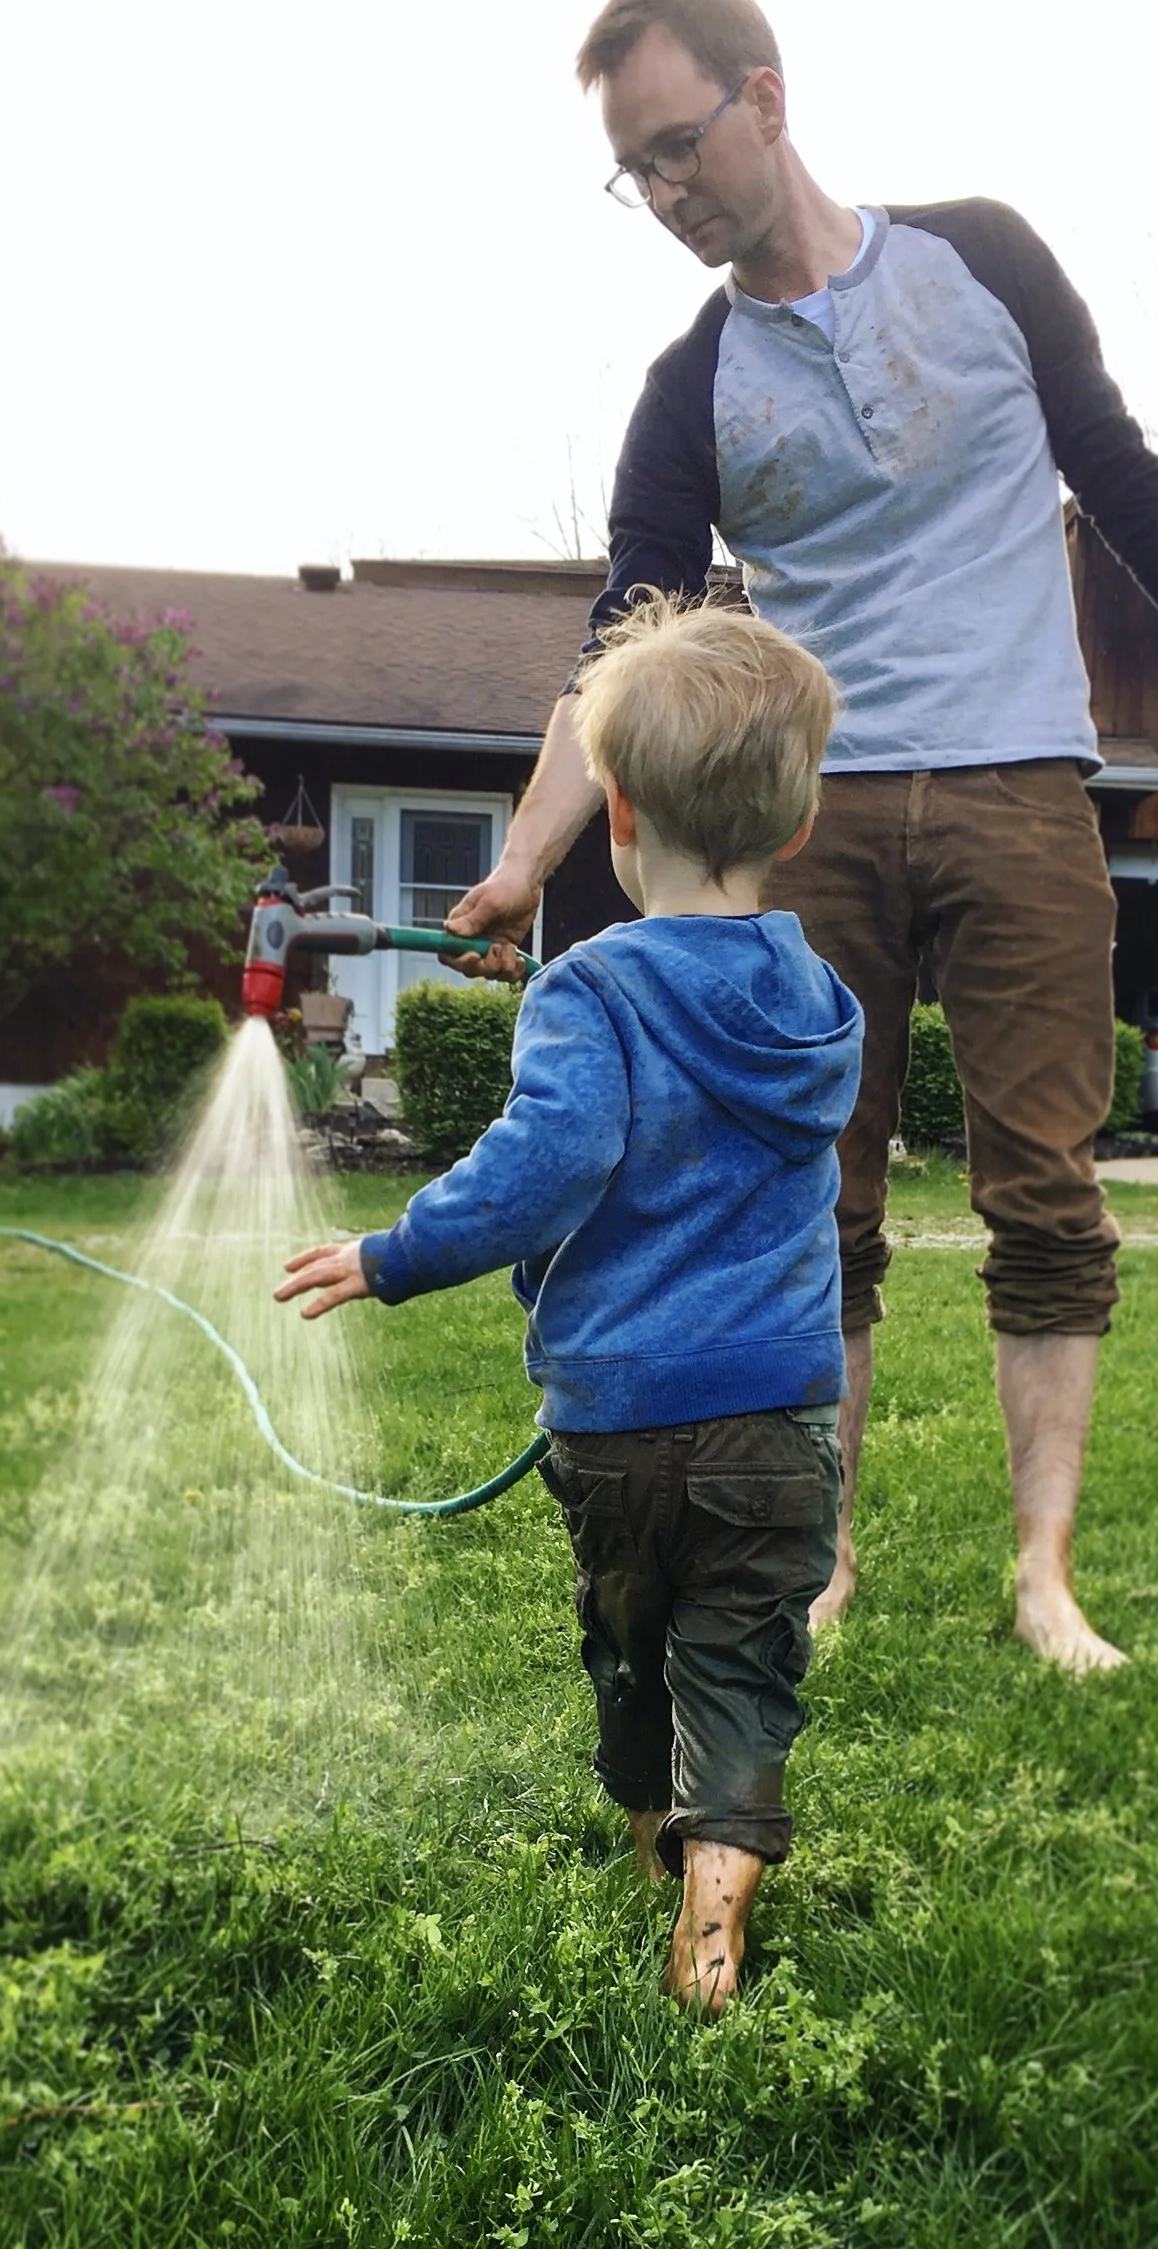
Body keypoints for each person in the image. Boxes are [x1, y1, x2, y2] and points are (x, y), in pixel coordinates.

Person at [443, 0, 1158, 1677]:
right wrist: (520, 859)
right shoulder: (692, 385)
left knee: (1048, 1190)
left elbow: (1126, 483)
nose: (659, 192)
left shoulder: (982, 260)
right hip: (820, 817)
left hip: (1021, 788)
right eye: (628, 172)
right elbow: (620, 645)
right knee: (812, 1199)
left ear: (763, 100)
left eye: (674, 146)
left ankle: (1045, 1576)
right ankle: (829, 1553)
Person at [275, 596, 860, 2013]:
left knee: (632, 1639)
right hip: (777, 1425)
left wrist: (397, 1252)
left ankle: (657, 1844)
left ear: (614, 814)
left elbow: (546, 1166)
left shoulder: (591, 991)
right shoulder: (819, 1000)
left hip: (616, 1423)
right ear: (795, 826)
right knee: (743, 1655)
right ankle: (718, 1913)